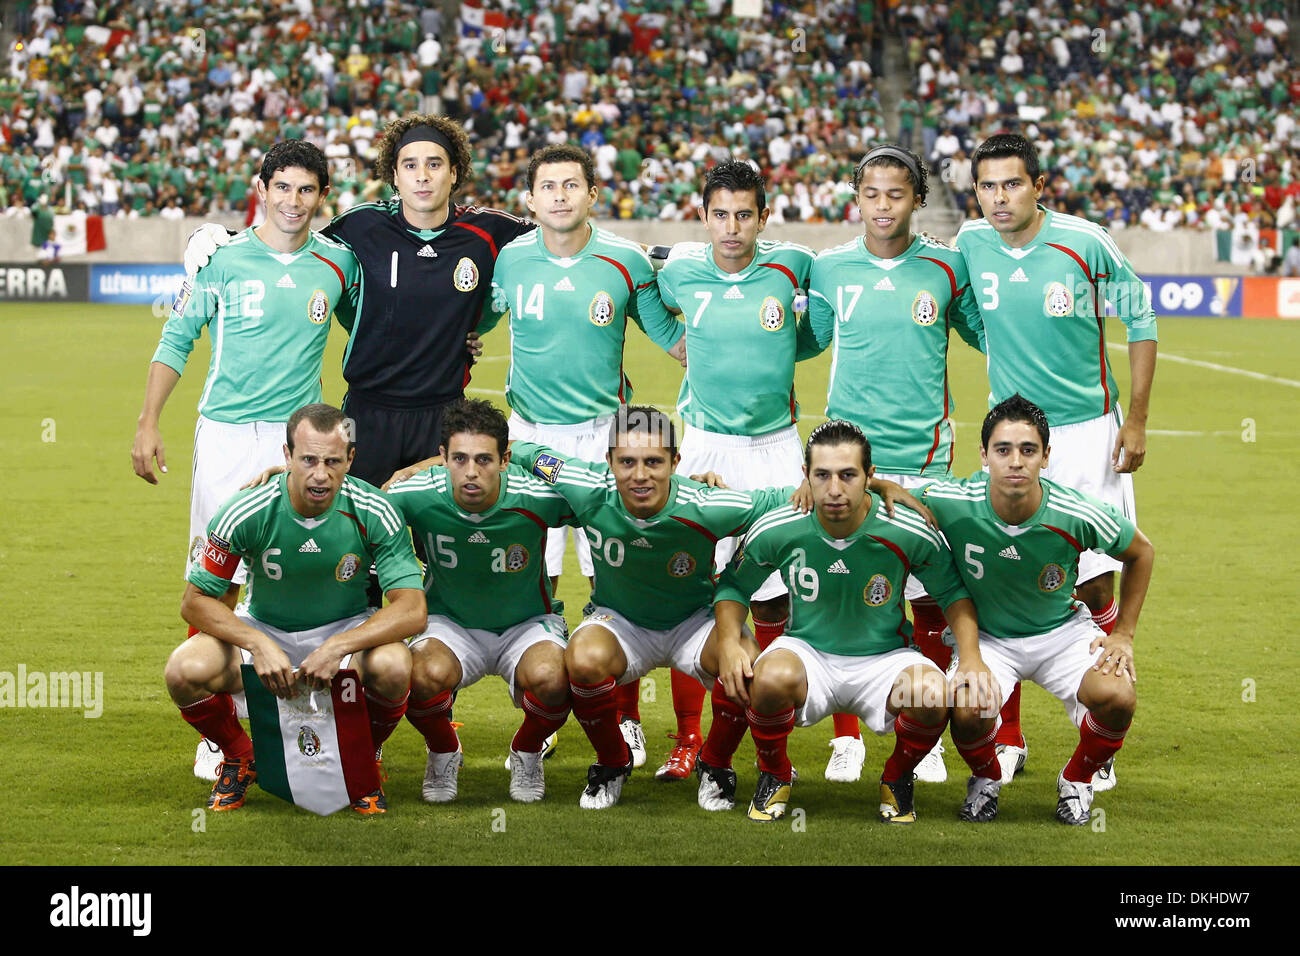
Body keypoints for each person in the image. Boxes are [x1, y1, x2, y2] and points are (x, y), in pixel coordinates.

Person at [509, 406, 928, 811]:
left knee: (744, 662)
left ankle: (715, 763)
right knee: (581, 660)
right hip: (619, 623)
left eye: (654, 461)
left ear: (676, 460)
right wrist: (441, 459)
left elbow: (806, 493)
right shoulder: (585, 485)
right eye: (628, 462)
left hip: (694, 623)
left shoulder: (706, 503)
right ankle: (612, 762)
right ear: (609, 461)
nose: (640, 475)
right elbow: (521, 451)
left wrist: (873, 486)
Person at [132, 139, 360, 780]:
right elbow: (177, 337)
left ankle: (293, 706)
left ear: (321, 197)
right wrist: (149, 422)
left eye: (306, 189)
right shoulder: (222, 260)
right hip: (228, 435)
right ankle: (220, 728)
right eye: (281, 187)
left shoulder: (337, 264)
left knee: (292, 568)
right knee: (219, 577)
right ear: (261, 188)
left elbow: (375, 327)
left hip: (300, 444)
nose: (293, 201)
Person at [657, 160, 871, 786]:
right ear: (703, 216)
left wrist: (781, 346)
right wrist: (678, 340)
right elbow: (647, 298)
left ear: (763, 216)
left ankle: (844, 735)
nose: (731, 227)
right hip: (701, 448)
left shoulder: (793, 265)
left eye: (743, 214)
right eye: (719, 214)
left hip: (776, 447)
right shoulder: (681, 270)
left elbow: (819, 331)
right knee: (692, 587)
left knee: (789, 587)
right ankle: (690, 741)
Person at [957, 133, 1157, 789]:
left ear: (1037, 185)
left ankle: (1095, 732)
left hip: (1087, 435)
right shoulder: (969, 244)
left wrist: (1139, 418)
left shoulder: (1085, 241)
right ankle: (1008, 739)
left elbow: (1142, 322)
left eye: (1011, 184)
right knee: (1001, 579)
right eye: (987, 186)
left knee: (1096, 582)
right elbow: (966, 313)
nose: (998, 198)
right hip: (1011, 436)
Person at [183, 114, 533, 489]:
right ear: (394, 176)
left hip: (443, 412)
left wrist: (473, 326)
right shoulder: (363, 225)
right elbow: (295, 243)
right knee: (358, 537)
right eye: (410, 165)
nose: (422, 176)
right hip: (366, 414)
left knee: (438, 539)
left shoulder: (489, 231)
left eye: (434, 164)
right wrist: (217, 235)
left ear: (454, 172)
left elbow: (552, 243)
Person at [807, 143, 985, 784]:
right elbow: (808, 338)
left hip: (926, 464)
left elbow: (982, 331)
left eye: (897, 194)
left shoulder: (947, 267)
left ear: (917, 199)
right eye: (872, 194)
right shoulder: (828, 269)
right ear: (857, 198)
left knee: (929, 598)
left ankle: (925, 731)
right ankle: (847, 737)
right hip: (848, 464)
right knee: (846, 593)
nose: (883, 206)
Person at [716, 420, 995, 823]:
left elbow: (954, 594)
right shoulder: (782, 522)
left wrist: (969, 657)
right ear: (805, 476)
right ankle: (774, 774)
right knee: (768, 677)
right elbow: (733, 587)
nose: (834, 489)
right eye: (822, 475)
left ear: (870, 476)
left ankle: (897, 778)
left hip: (885, 658)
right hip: (807, 652)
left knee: (933, 694)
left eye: (848, 475)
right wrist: (728, 642)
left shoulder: (906, 526)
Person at [163, 404, 427, 813]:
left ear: (350, 460)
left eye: (332, 461)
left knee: (394, 666)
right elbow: (194, 603)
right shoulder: (245, 509)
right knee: (184, 670)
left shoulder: (375, 509)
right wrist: (258, 642)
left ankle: (361, 759)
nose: (320, 474)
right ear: (286, 456)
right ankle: (239, 755)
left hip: (345, 634)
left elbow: (411, 610)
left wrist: (339, 646)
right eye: (308, 460)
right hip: (266, 629)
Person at [927, 395, 1154, 824]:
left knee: (1119, 697)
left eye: (1028, 450)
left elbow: (1141, 552)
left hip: (1060, 634)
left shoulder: (1073, 510)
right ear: (983, 456)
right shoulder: (951, 498)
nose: (1016, 461)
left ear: (1046, 457)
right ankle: (986, 778)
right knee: (966, 707)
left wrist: (1123, 634)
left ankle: (1078, 779)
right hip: (989, 639)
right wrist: (877, 486)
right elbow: (888, 495)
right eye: (1003, 450)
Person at [480, 143, 684, 615]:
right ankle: (540, 667)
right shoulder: (510, 260)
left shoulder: (625, 261)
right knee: (534, 573)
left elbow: (673, 341)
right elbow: (475, 322)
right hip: (530, 437)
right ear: (530, 200)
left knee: (610, 572)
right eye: (547, 187)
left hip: (602, 440)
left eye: (571, 185)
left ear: (592, 194)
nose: (559, 196)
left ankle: (603, 671)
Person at [384, 399, 578, 804]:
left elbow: (612, 502)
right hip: (449, 623)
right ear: (441, 458)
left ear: (506, 459)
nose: (471, 472)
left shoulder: (538, 497)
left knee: (557, 677)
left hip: (527, 624)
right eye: (459, 458)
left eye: (485, 460)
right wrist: (289, 478)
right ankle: (443, 750)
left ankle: (527, 750)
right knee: (418, 675)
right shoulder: (415, 494)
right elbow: (350, 506)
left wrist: (694, 485)